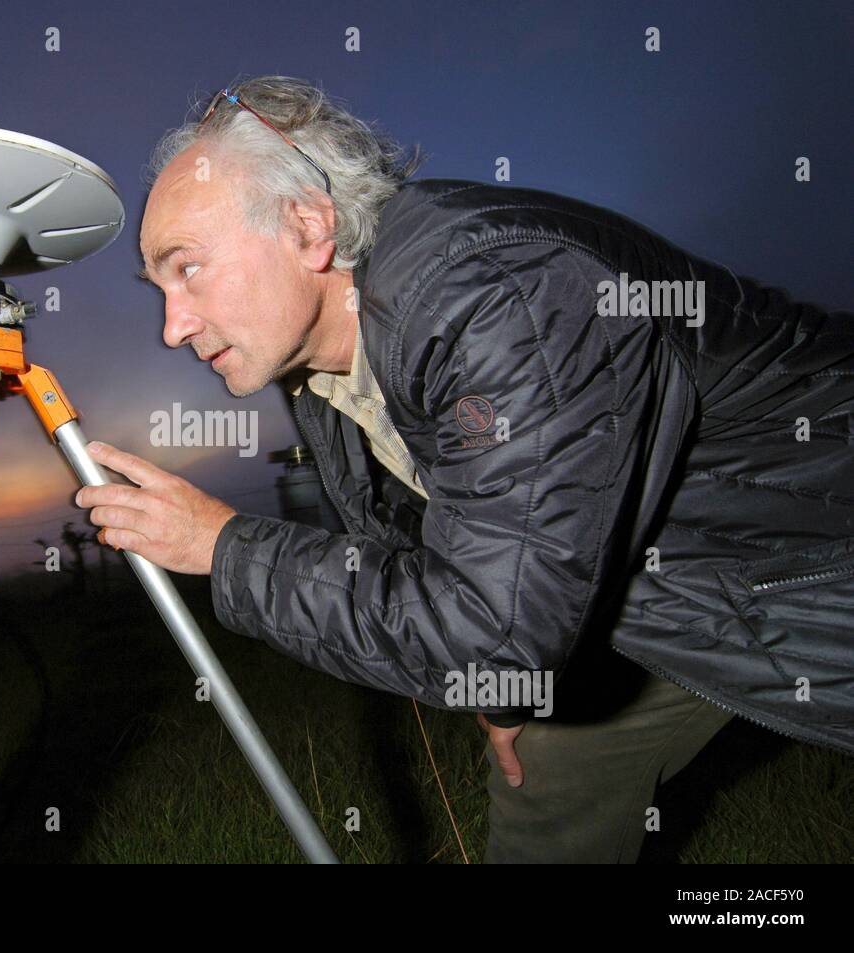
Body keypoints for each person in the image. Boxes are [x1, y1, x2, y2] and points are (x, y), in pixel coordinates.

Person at [74, 75, 854, 862]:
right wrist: (502, 669)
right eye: (158, 288)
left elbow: (490, 627)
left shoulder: (499, 297)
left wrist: (224, 546)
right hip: (661, 583)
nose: (172, 327)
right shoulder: (322, 371)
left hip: (816, 540)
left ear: (308, 226)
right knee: (548, 770)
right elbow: (450, 552)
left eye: (188, 268)